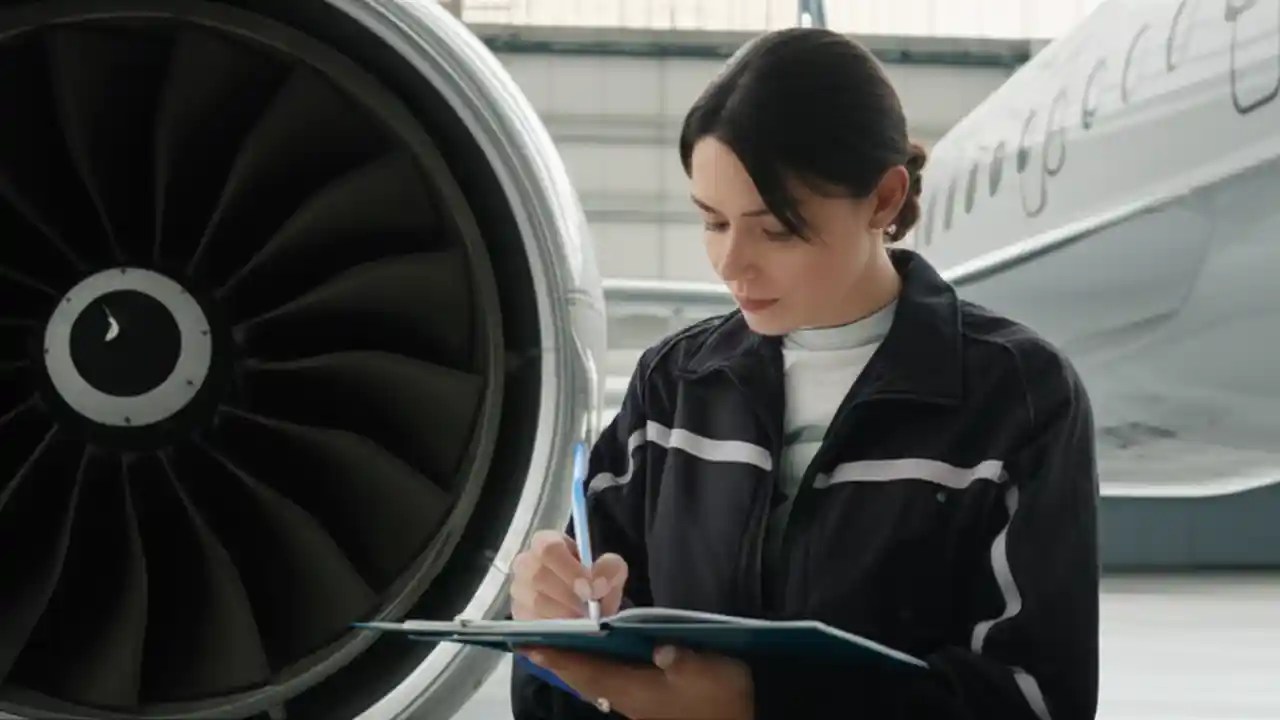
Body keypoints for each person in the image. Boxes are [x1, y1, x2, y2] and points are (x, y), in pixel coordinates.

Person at [508, 26, 1099, 720]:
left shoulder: (1019, 398)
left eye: (776, 229)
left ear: (883, 200)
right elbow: (552, 695)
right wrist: (545, 622)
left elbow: (1037, 701)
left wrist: (760, 707)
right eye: (712, 222)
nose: (731, 265)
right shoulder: (674, 389)